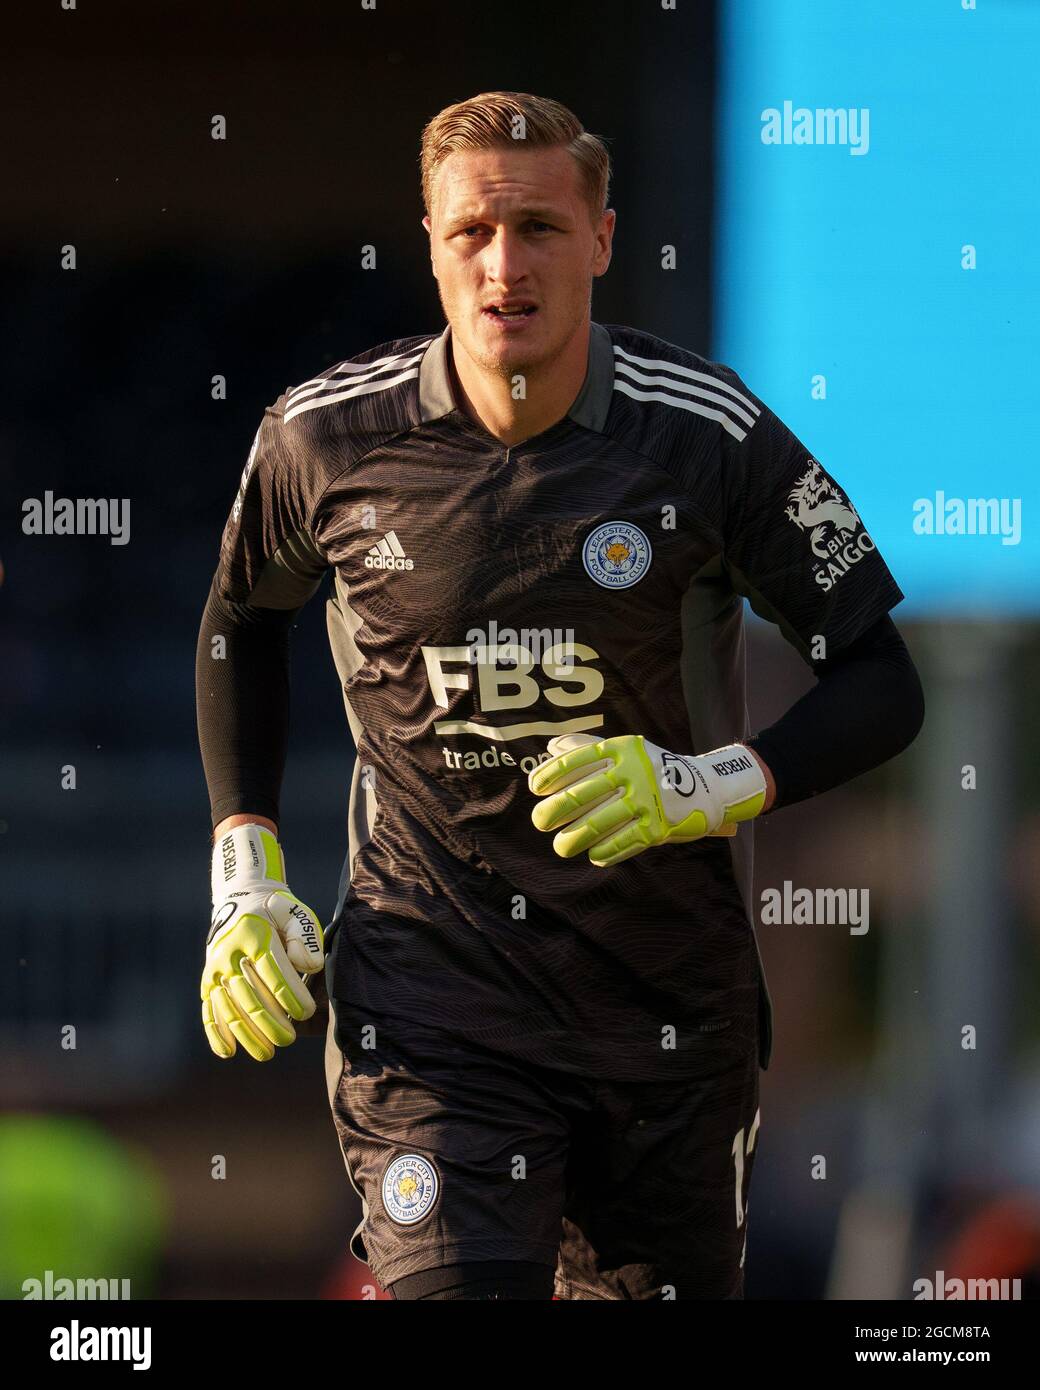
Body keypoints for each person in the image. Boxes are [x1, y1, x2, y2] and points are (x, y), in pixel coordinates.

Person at [195, 90, 924, 1300]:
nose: (502, 265)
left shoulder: (711, 435)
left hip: (664, 1020)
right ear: (428, 244)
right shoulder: (318, 441)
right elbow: (238, 625)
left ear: (600, 239)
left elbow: (883, 681)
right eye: (469, 233)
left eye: (537, 228)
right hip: (429, 1003)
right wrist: (245, 873)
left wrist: (704, 786)